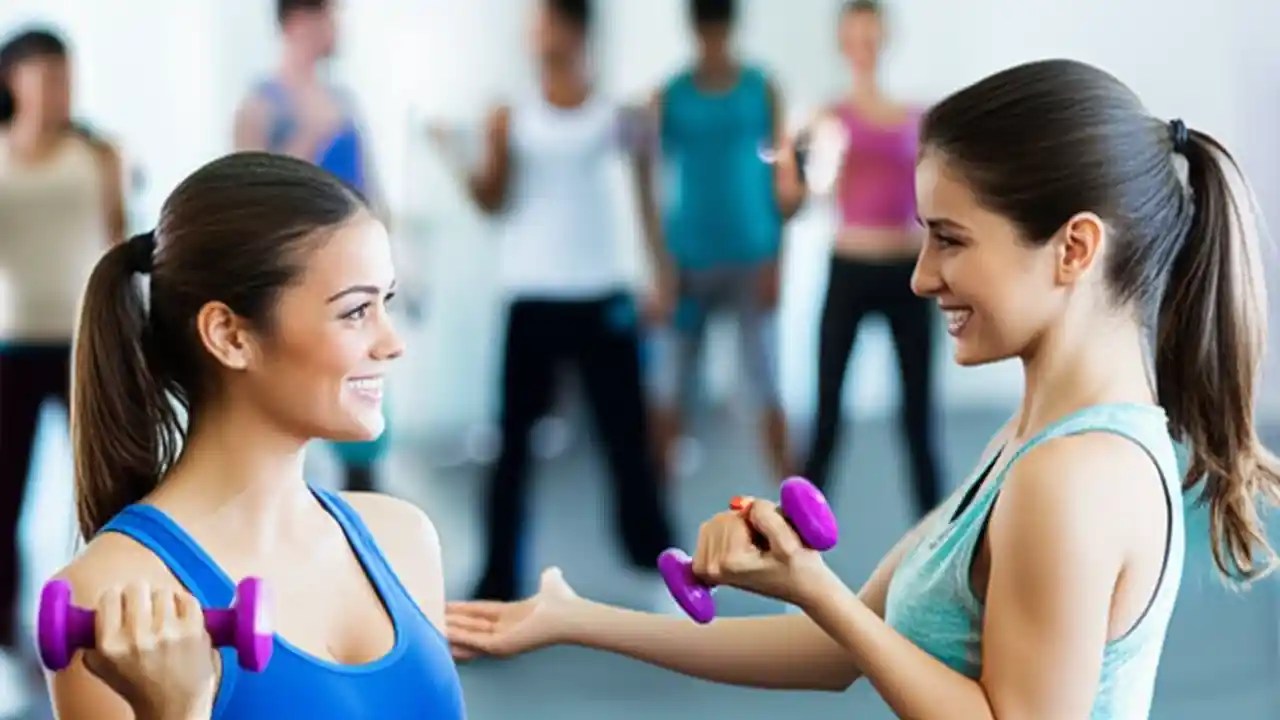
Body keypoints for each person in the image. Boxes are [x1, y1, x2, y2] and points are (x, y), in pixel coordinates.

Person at [445, 58, 1280, 718]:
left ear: (1073, 248)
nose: (921, 277)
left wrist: (816, 588)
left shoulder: (1075, 477)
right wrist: (574, 618)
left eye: (950, 240)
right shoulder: (1038, 437)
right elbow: (836, 651)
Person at [45, 152, 465, 720]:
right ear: (230, 336)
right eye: (355, 311)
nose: (393, 343)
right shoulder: (110, 597)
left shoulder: (403, 539)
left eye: (384, 303)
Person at [433, 0, 677, 603]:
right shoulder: (510, 113)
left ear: (572, 30)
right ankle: (497, 579)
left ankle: (660, 561)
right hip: (532, 297)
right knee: (512, 445)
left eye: (542, 23)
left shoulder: (617, 113)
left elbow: (645, 198)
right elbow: (492, 201)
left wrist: (661, 272)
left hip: (601, 295)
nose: (534, 35)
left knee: (627, 442)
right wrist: (458, 156)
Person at [0, 26, 125, 715]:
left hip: (84, 347)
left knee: (106, 490)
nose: (58, 91)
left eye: (66, 77)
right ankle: (6, 632)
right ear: (13, 80)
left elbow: (120, 243)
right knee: (5, 499)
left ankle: (110, 612)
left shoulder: (96, 153)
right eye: (45, 77)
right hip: (14, 345)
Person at [233, 0, 392, 493]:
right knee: (284, 422)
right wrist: (311, 131)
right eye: (329, 16)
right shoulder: (261, 104)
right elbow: (244, 197)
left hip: (353, 285)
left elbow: (374, 193)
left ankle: (364, 545)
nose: (337, 28)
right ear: (299, 20)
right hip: (294, 285)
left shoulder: (345, 100)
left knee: (361, 425)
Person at [647, 0, 806, 483]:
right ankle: (656, 505)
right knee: (669, 387)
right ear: (694, 31)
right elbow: (649, 180)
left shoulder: (762, 89)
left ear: (731, 29)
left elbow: (783, 179)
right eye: (705, 31)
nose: (713, 42)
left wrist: (780, 258)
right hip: (689, 259)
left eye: (719, 31)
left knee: (766, 386)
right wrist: (660, 269)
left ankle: (792, 502)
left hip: (752, 254)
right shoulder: (671, 96)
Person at [800, 0, 943, 517]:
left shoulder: (919, 118)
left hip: (909, 272)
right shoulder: (827, 117)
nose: (863, 48)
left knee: (918, 419)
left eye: (871, 37)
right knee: (828, 413)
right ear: (843, 44)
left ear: (884, 40)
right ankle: (796, 535)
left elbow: (938, 195)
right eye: (854, 38)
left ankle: (937, 540)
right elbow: (811, 194)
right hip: (850, 267)